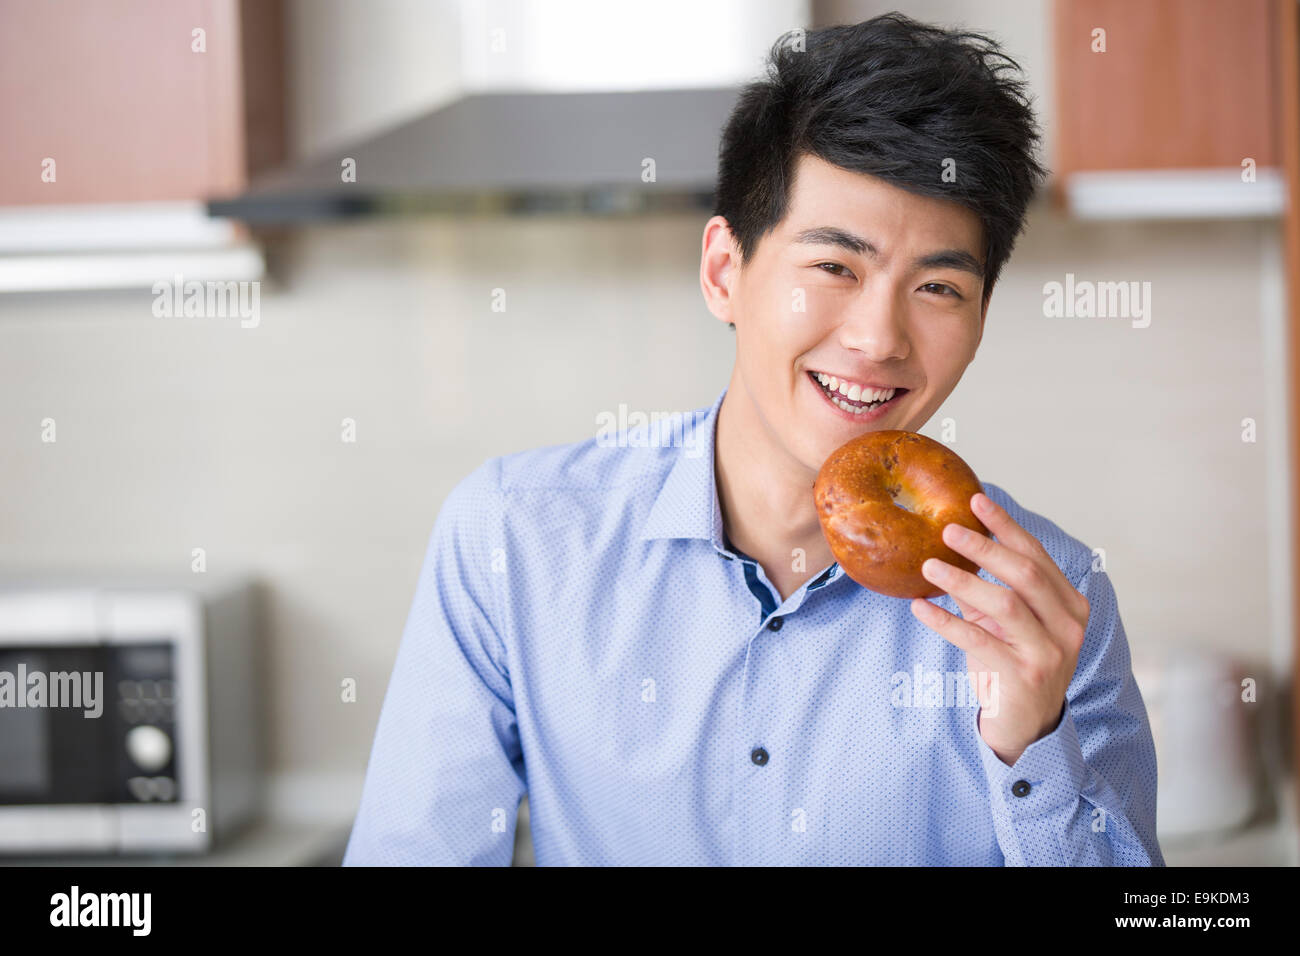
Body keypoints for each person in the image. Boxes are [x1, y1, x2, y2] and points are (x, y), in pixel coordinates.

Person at [343, 13, 1163, 866]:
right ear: (723, 271)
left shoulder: (1052, 603)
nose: (880, 339)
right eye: (835, 267)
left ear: (982, 316)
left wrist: (1035, 746)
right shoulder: (513, 539)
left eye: (938, 287)